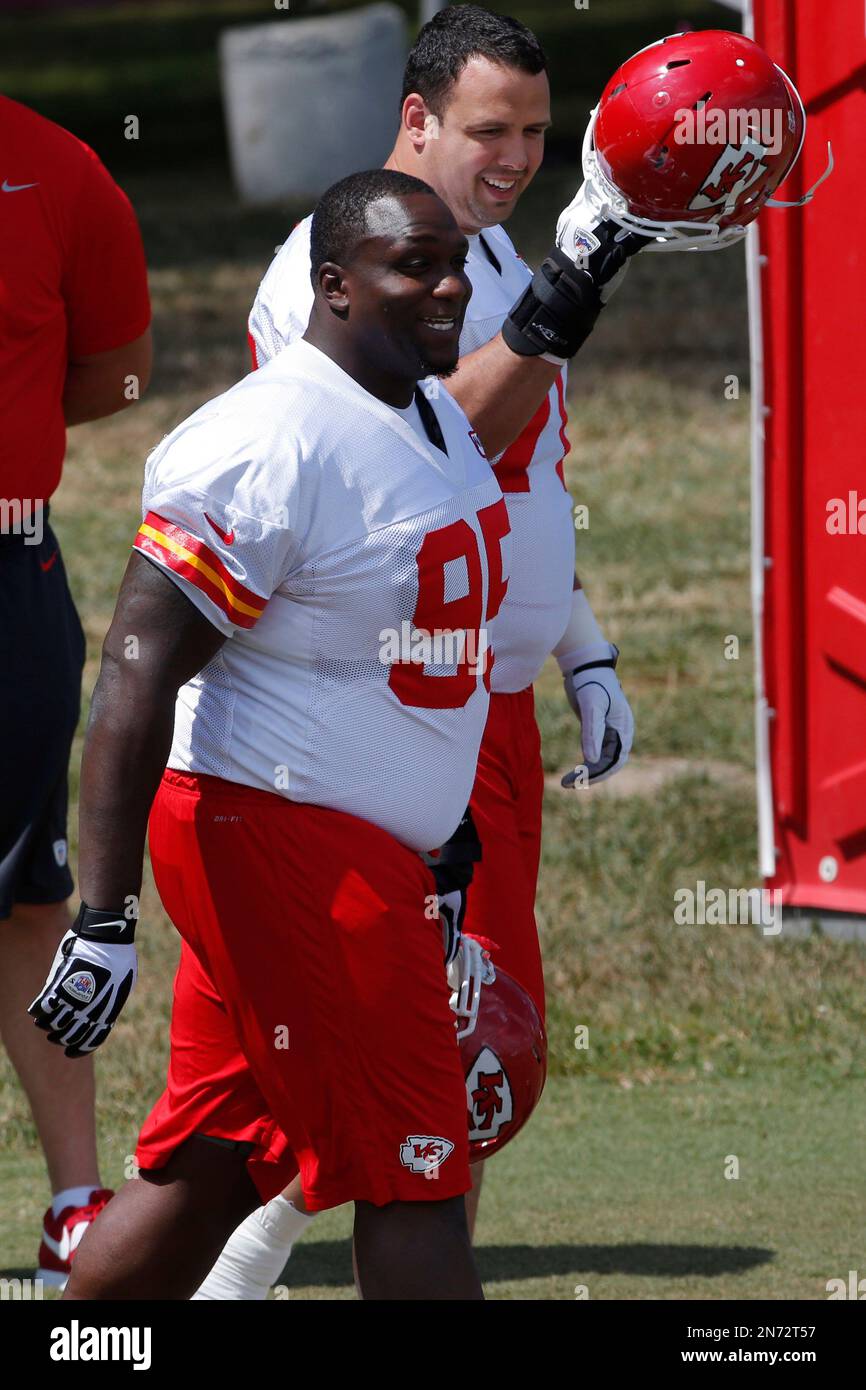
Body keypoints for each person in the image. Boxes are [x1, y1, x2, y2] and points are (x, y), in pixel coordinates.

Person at [196, 4, 640, 1299]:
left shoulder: (491, 256)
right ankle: (243, 1261)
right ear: (415, 121)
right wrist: (565, 301)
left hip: (482, 703)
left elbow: (521, 491)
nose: (513, 156)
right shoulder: (330, 267)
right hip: (372, 709)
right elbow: (406, 454)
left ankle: (263, 1254)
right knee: (437, 1033)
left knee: (459, 1030)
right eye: (487, 129)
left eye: (535, 133)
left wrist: (582, 643)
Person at [30, 169, 513, 1301]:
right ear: (333, 285)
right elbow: (136, 671)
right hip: (283, 842)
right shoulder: (267, 438)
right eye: (414, 265)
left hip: (340, 848)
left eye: (453, 261)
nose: (448, 284)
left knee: (210, 1168)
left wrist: (438, 840)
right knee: (417, 1178)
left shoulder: (425, 406)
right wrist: (103, 917)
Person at [0, 93, 152, 1286]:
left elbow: (118, 369)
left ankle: (72, 1206)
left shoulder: (55, 168)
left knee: (23, 887)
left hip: (9, 559)